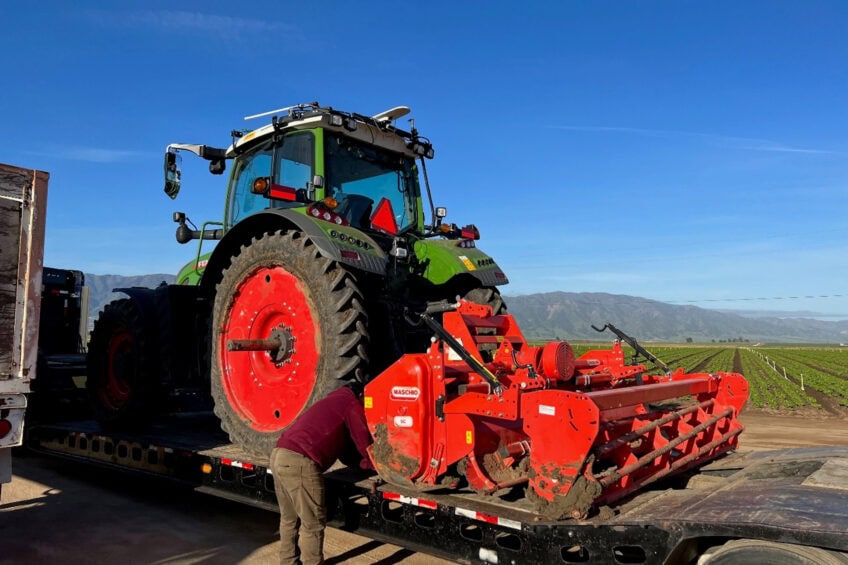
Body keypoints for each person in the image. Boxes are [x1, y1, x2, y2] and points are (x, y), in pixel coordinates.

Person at [270, 384, 374, 565]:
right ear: (362, 395)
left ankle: (287, 562)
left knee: (289, 519)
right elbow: (362, 438)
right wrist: (371, 463)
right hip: (300, 461)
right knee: (313, 524)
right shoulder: (352, 403)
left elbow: (335, 436)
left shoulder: (332, 400)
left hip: (278, 454)